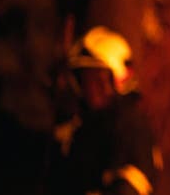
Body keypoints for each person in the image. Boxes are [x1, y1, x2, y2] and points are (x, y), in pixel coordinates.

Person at [51, 26, 161, 195]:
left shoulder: (131, 129)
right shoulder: (79, 129)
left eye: (97, 79)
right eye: (84, 80)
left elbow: (128, 189)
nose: (91, 89)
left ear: (118, 79)